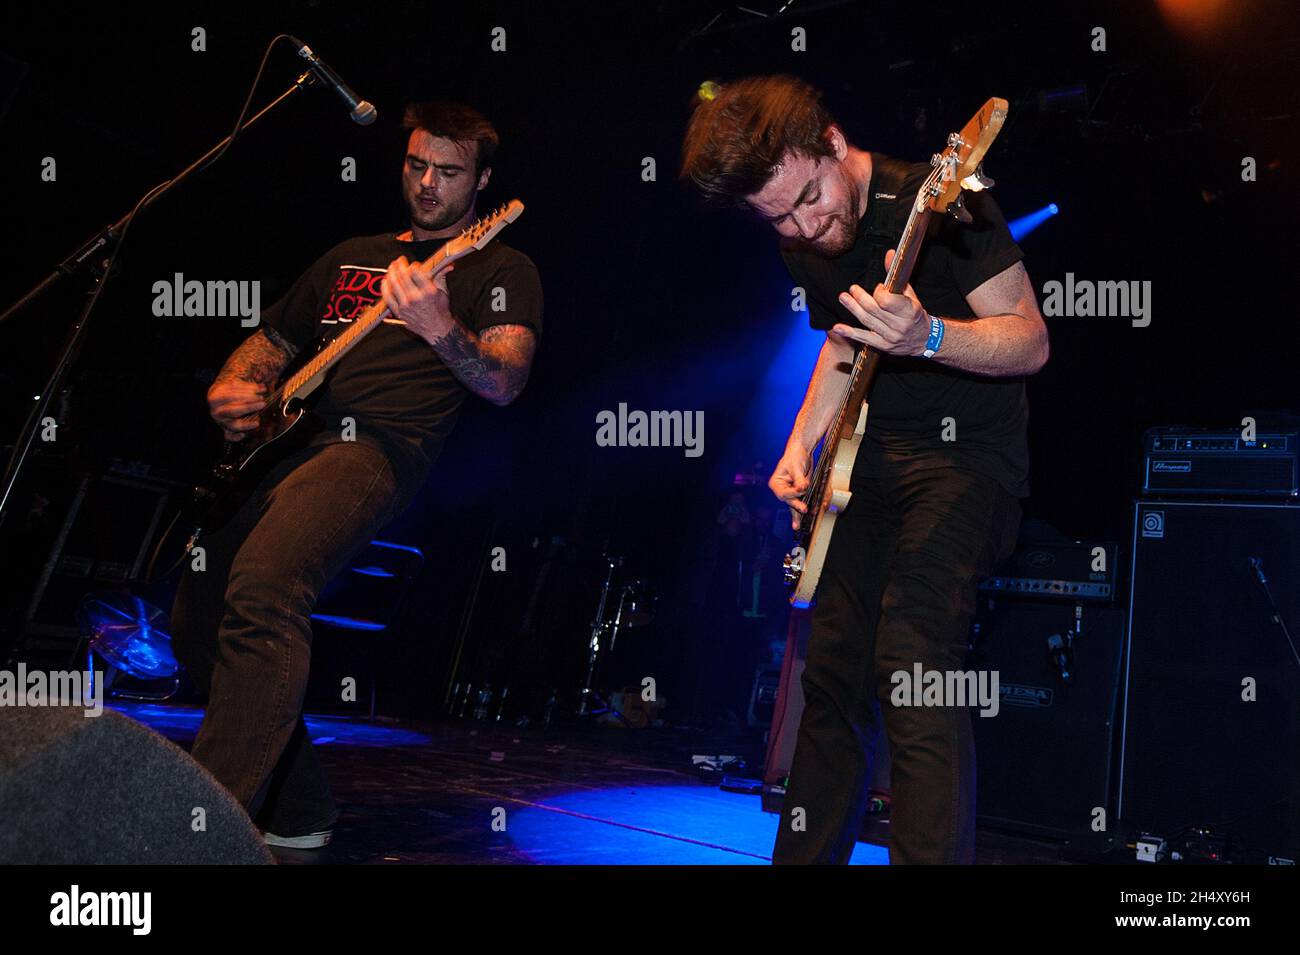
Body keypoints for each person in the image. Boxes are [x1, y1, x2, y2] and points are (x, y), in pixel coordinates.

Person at [681, 75, 1047, 864]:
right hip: (866, 467)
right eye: (777, 217)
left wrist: (931, 338)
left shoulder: (948, 202)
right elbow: (844, 343)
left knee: (913, 658)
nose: (804, 226)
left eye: (809, 197)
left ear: (835, 143)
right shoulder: (799, 236)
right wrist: (799, 444)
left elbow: (1029, 339)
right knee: (834, 681)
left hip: (967, 462)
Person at [171, 101, 542, 848]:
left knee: (268, 584)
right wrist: (234, 387)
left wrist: (440, 326)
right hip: (284, 446)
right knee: (197, 619)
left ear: (483, 182)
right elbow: (273, 338)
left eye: (448, 170)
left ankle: (201, 833)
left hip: (375, 449)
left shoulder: (501, 265)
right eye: (416, 165)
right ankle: (301, 806)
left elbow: (505, 380)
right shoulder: (351, 254)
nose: (428, 182)